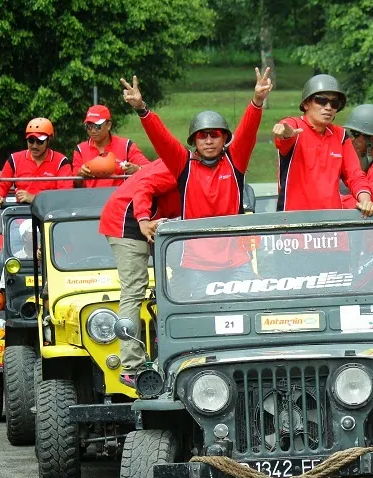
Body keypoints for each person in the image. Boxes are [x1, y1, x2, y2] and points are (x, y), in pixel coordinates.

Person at [120, 68, 272, 297]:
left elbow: (247, 132)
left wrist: (257, 101)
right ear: (194, 140)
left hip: (236, 260)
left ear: (224, 138)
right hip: (196, 264)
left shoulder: (235, 161)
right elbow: (162, 140)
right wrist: (142, 109)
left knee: (246, 307)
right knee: (200, 313)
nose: (209, 140)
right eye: (202, 135)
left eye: (215, 134)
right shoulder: (184, 164)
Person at [98, 159, 181, 388]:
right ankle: (131, 366)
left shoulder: (209, 172)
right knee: (134, 289)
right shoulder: (178, 164)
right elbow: (144, 185)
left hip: (155, 223)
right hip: (127, 223)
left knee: (177, 285)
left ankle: (173, 347)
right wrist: (144, 219)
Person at [271, 74, 373, 216]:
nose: (328, 107)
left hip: (332, 221)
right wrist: (284, 133)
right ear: (306, 104)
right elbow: (285, 132)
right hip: (293, 222)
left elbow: (355, 175)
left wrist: (366, 201)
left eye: (335, 103)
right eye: (321, 100)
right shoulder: (294, 125)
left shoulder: (340, 135)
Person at [0, 118, 73, 209]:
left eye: (40, 141)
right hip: (20, 213)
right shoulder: (14, 159)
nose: (34, 146)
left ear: (49, 140)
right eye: (31, 140)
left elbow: (64, 196)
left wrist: (34, 199)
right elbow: (1, 185)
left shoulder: (62, 162)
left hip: (50, 213)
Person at [72, 104, 150, 188]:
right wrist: (80, 174)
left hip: (120, 194)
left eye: (98, 126)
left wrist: (137, 168)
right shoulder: (80, 149)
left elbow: (150, 168)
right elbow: (74, 184)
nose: (93, 131)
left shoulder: (126, 146)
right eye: (89, 126)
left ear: (108, 125)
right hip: (89, 195)